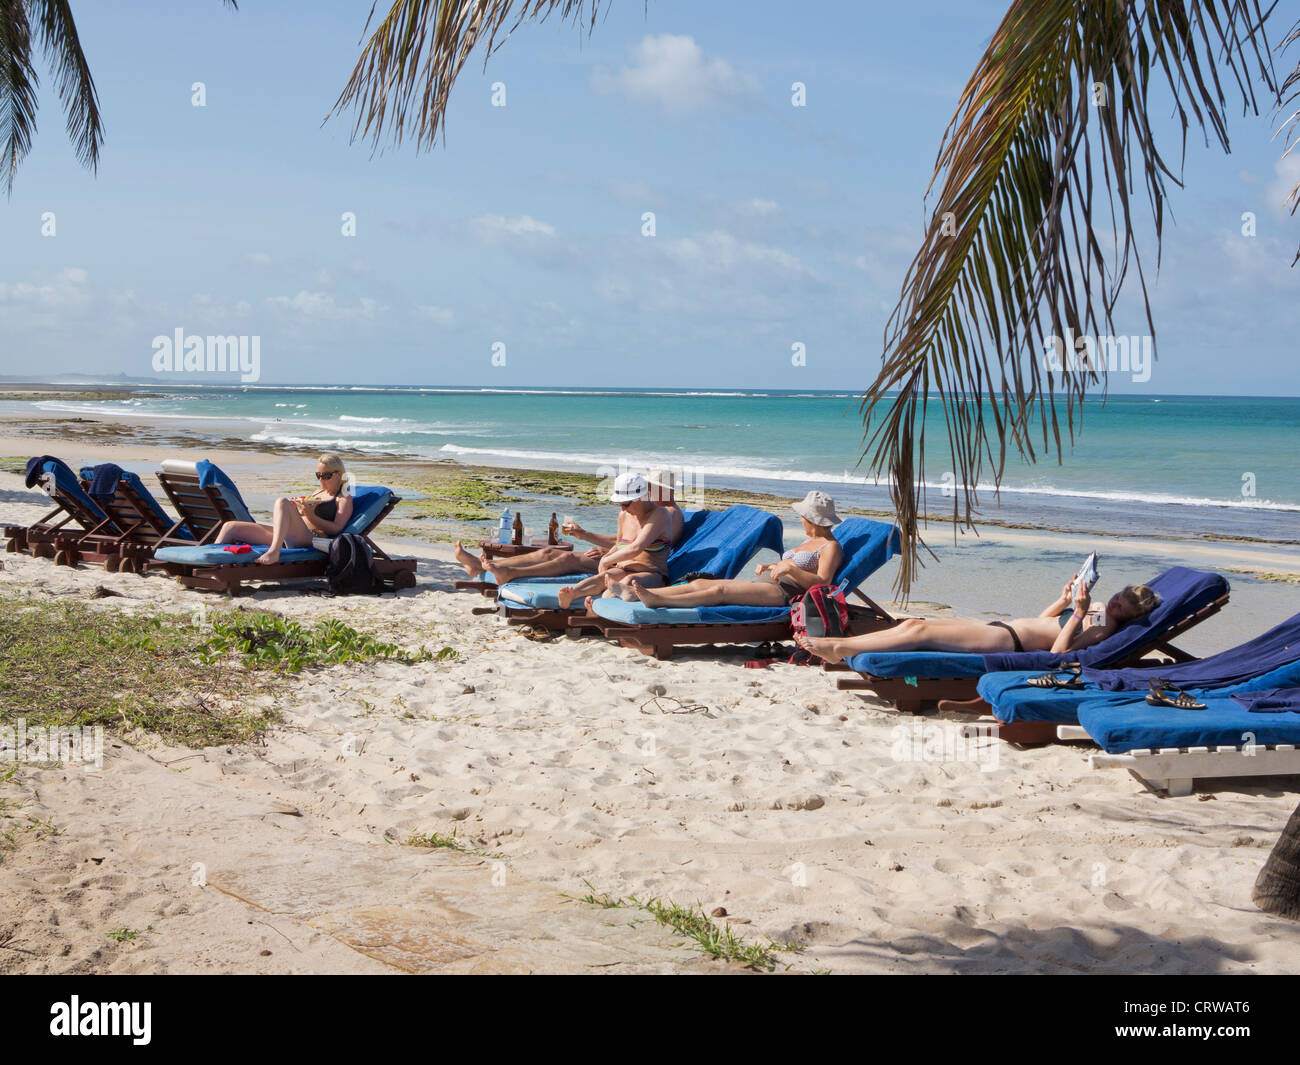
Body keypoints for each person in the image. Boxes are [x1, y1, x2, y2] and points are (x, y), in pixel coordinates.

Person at [795, 577, 1161, 665]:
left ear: (1132, 615)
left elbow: (1058, 653)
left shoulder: (1103, 628)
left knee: (919, 632)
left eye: (1125, 604)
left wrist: (1079, 614)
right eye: (1120, 594)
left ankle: (840, 648)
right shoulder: (1094, 608)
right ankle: (843, 648)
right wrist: (1064, 601)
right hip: (1001, 629)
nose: (1117, 601)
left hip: (1006, 644)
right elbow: (1043, 620)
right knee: (913, 625)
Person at [627, 490, 844, 610]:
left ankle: (659, 600)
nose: (801, 520)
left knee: (719, 592)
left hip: (783, 593)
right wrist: (773, 566)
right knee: (701, 583)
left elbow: (824, 584)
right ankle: (644, 595)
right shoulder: (807, 543)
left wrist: (790, 569)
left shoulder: (830, 546)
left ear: (813, 520)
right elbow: (790, 566)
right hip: (768, 584)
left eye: (803, 517)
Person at [214, 452, 354, 566]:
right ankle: (209, 561)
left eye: (326, 476)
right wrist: (297, 509)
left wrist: (309, 514)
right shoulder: (317, 492)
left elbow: (336, 529)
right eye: (319, 475)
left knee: (282, 502)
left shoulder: (343, 497)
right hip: (287, 535)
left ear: (339, 475)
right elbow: (302, 515)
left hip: (311, 538)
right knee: (230, 527)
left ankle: (274, 552)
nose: (321, 480)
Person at [559, 472, 675, 608]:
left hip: (652, 573)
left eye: (626, 504)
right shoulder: (623, 515)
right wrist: (607, 556)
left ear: (641, 497)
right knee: (601, 578)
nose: (623, 509)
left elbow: (636, 548)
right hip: (623, 568)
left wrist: (606, 560)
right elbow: (620, 545)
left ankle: (599, 605)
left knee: (629, 581)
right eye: (620, 504)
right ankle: (571, 595)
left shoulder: (660, 514)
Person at [645, 468, 685, 544]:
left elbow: (644, 542)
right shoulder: (667, 509)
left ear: (664, 490)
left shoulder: (667, 512)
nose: (648, 491)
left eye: (650, 487)